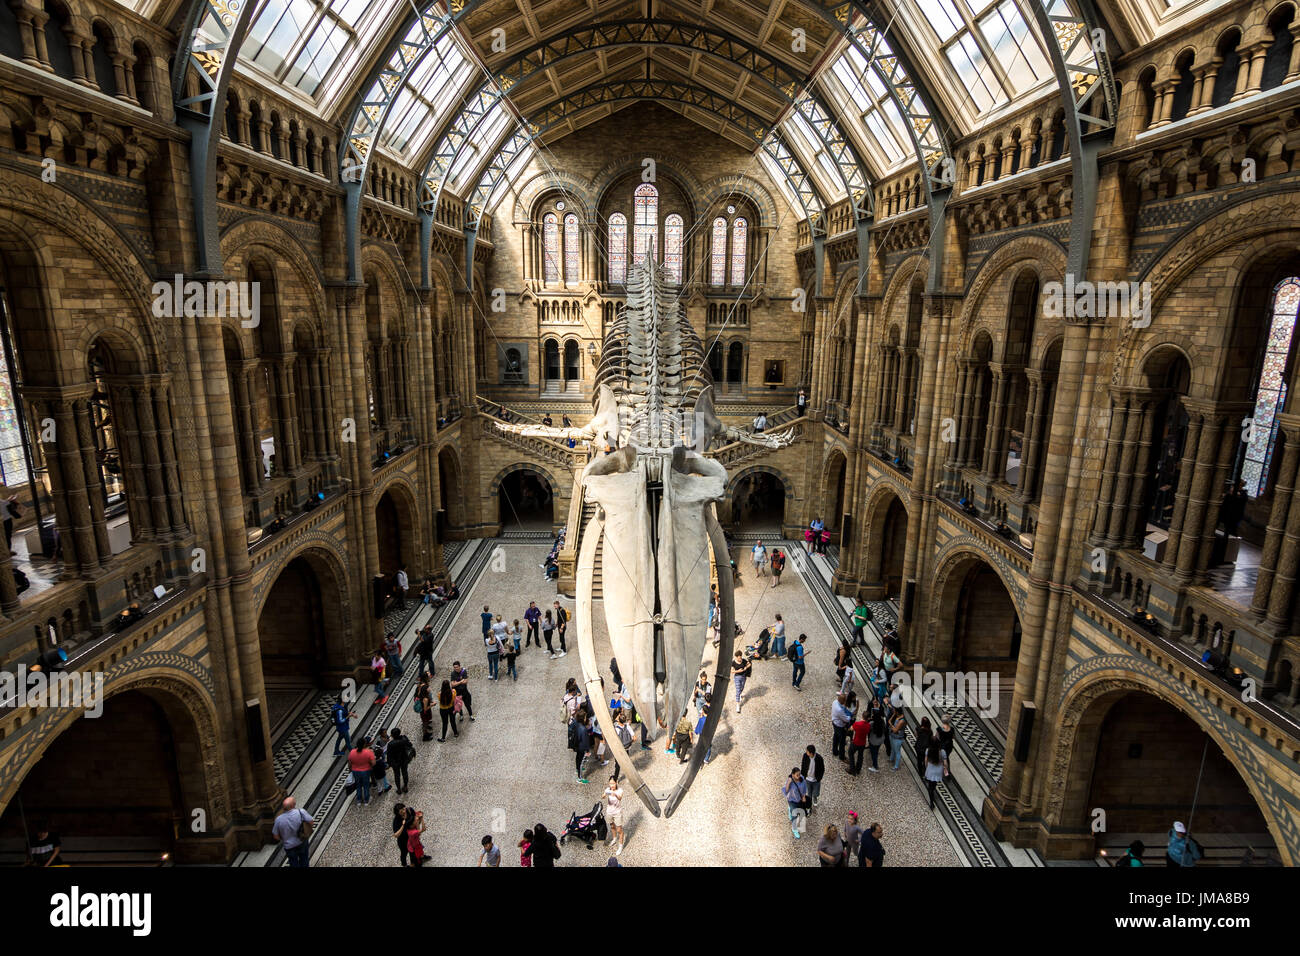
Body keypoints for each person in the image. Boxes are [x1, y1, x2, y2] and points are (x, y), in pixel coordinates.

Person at [271, 797, 314, 868]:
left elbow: (276, 837)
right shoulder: (301, 812)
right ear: (293, 805)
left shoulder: (278, 820)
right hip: (302, 841)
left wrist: (284, 839)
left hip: (289, 846)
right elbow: (311, 822)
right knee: (304, 859)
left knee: (293, 862)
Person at [783, 768, 809, 839]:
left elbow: (804, 788)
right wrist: (788, 783)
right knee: (795, 816)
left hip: (799, 800)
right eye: (797, 775)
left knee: (797, 812)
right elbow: (786, 791)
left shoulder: (802, 779)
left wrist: (803, 796)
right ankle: (794, 829)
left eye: (799, 774)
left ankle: (789, 809)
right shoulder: (790, 781)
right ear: (793, 775)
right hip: (792, 800)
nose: (799, 776)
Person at [348, 739, 376, 806]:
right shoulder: (368, 752)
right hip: (365, 771)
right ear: (364, 744)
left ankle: (359, 800)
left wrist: (350, 770)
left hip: (355, 771)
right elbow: (373, 763)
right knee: (366, 785)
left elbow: (349, 763)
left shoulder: (352, 752)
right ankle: (366, 800)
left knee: (358, 785)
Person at [923, 739, 948, 810]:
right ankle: (933, 790)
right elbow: (945, 763)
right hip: (938, 770)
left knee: (930, 786)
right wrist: (946, 769)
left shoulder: (928, 750)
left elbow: (925, 761)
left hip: (931, 768)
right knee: (934, 783)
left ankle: (931, 802)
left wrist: (926, 768)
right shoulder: (942, 752)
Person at [387, 728, 414, 794]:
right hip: (404, 759)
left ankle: (398, 789)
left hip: (395, 762)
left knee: (397, 775)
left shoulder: (390, 744)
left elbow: (389, 755)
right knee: (405, 773)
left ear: (392, 735)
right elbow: (410, 745)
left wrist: (389, 763)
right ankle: (405, 786)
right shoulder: (404, 739)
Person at [570, 705, 593, 783]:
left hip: (577, 745)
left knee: (578, 758)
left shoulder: (576, 723)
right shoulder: (583, 729)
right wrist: (587, 750)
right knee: (581, 762)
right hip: (582, 747)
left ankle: (577, 769)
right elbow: (585, 741)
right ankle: (580, 777)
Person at [604, 777, 626, 855]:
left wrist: (615, 795)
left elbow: (620, 798)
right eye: (610, 783)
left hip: (617, 813)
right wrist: (604, 795)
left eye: (613, 783)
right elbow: (603, 795)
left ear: (616, 782)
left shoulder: (620, 790)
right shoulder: (608, 789)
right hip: (609, 812)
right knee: (612, 826)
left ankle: (620, 846)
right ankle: (614, 838)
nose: (612, 785)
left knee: (619, 830)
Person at [831, 693, 855, 761]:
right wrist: (850, 715)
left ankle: (835, 751)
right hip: (840, 726)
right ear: (843, 701)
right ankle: (842, 756)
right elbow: (846, 719)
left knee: (835, 736)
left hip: (834, 723)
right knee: (842, 741)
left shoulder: (835, 702)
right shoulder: (839, 710)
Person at [801, 745, 825, 809]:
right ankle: (809, 805)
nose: (806, 752)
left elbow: (822, 769)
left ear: (811, 753)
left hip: (816, 780)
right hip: (808, 779)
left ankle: (815, 798)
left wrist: (819, 778)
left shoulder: (819, 758)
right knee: (809, 794)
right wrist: (803, 776)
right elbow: (803, 766)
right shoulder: (805, 756)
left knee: (816, 793)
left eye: (807, 751)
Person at [731, 648, 752, 714]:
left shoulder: (743, 660)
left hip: (743, 676)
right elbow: (731, 671)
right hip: (737, 677)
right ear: (736, 657)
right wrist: (738, 671)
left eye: (741, 657)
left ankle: (739, 694)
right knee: (738, 690)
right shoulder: (733, 663)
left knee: (741, 688)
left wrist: (746, 667)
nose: (740, 659)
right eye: (739, 658)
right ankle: (738, 705)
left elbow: (749, 664)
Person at [848, 710, 869, 775]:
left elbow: (851, 729)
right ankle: (858, 769)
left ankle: (852, 769)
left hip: (856, 742)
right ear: (868, 718)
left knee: (850, 753)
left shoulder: (857, 724)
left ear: (862, 716)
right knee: (860, 756)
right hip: (862, 743)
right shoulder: (868, 725)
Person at [888, 704, 906, 771]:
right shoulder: (897, 716)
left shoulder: (902, 720)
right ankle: (891, 759)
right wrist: (893, 715)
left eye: (894, 710)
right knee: (892, 748)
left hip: (898, 738)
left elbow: (895, 730)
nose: (893, 710)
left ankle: (896, 767)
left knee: (897, 752)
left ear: (897, 711)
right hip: (893, 736)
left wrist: (891, 725)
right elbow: (889, 720)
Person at [416, 677, 435, 741]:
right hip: (425, 713)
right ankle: (425, 736)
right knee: (425, 723)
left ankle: (426, 732)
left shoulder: (421, 694)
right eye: (428, 688)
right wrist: (432, 705)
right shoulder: (425, 699)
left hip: (423, 712)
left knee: (425, 722)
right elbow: (425, 709)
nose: (429, 689)